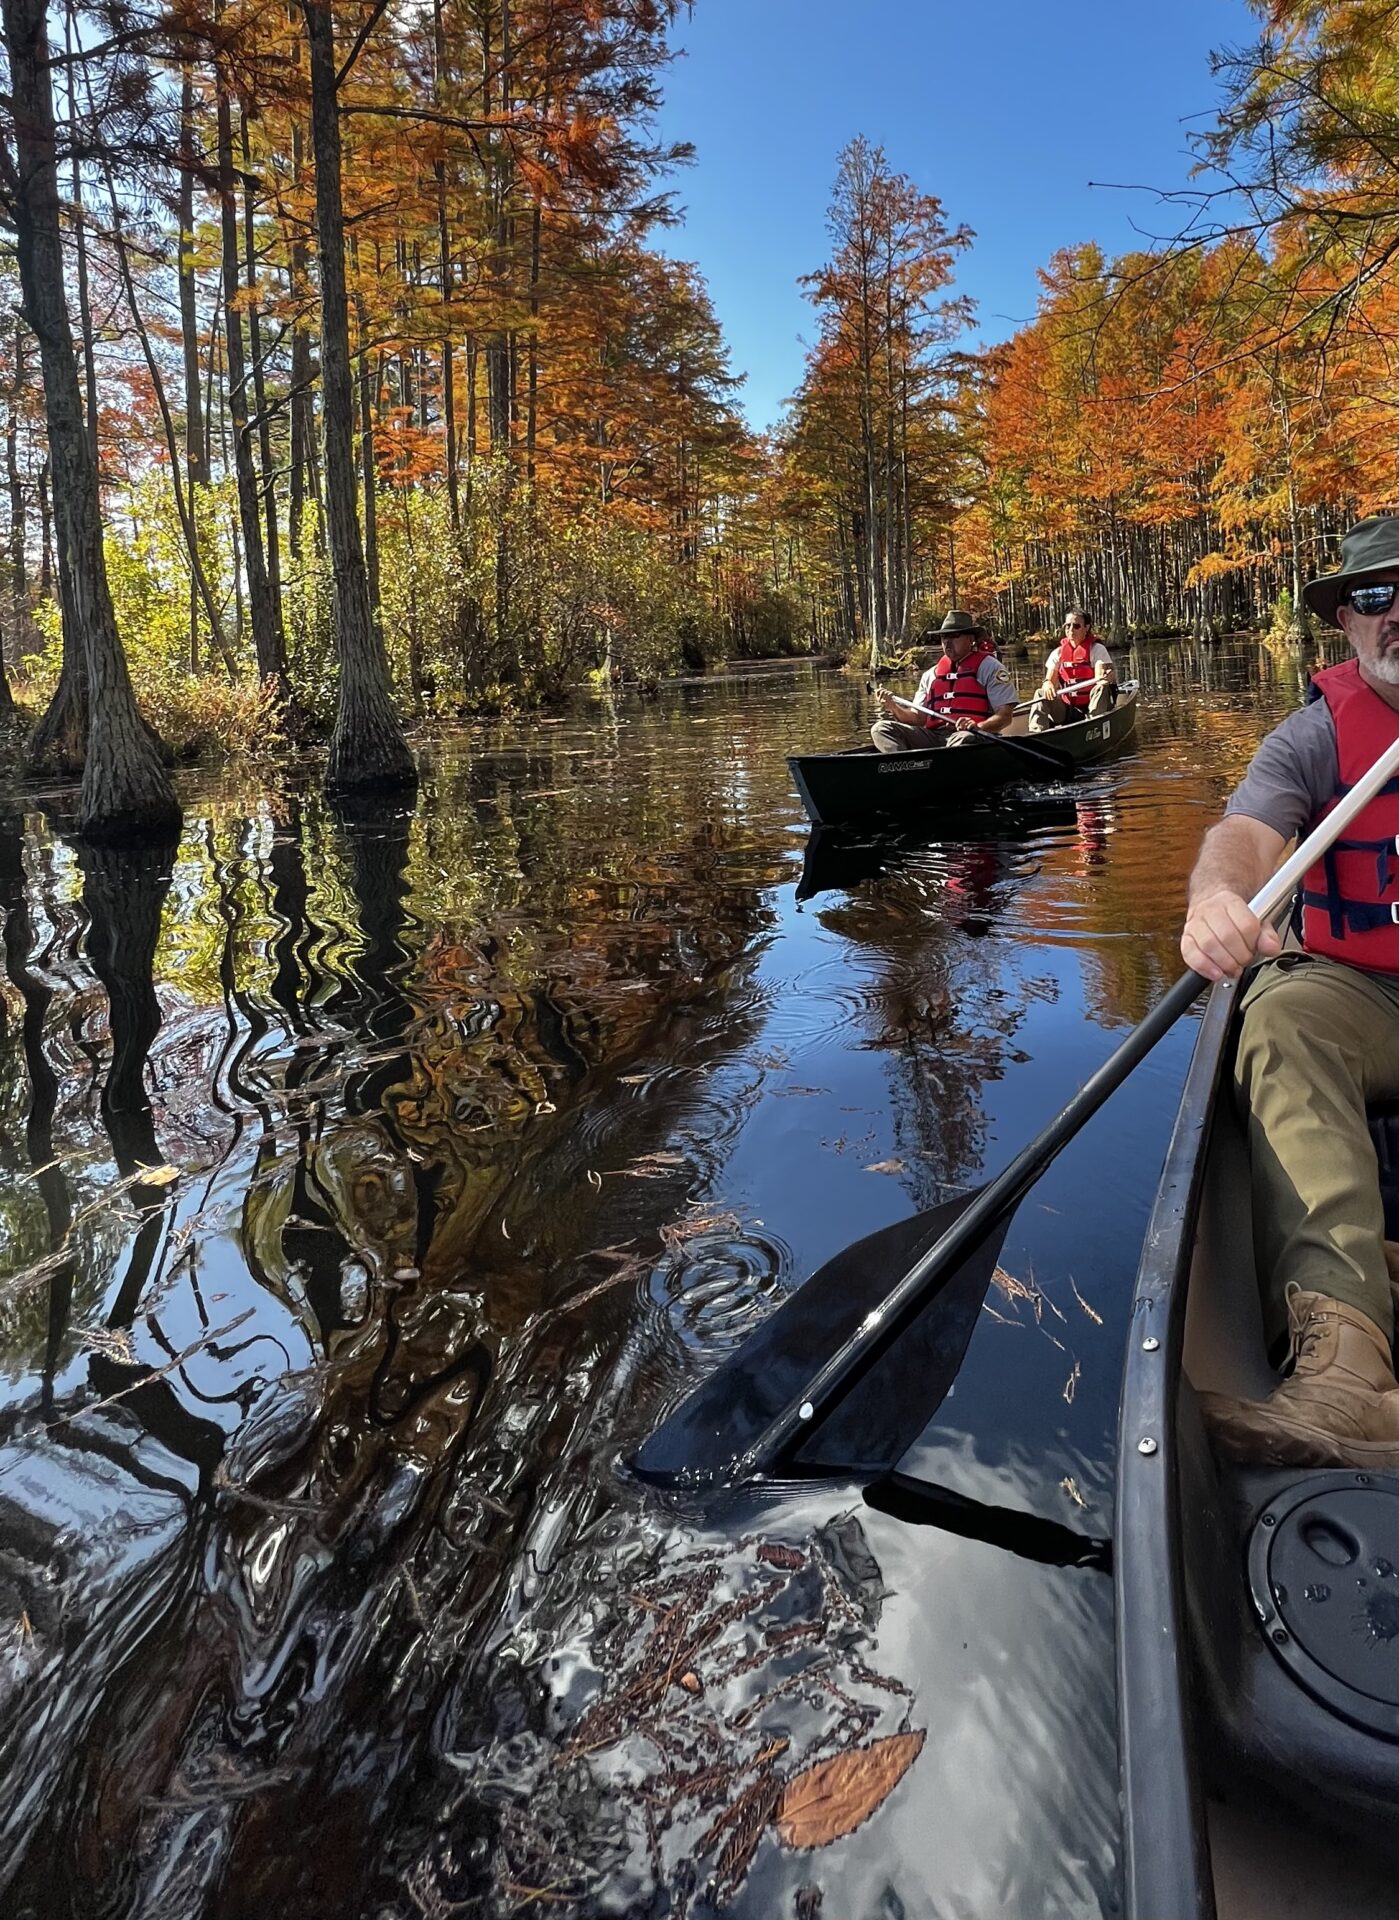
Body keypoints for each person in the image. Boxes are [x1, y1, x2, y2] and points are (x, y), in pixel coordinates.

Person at [1180, 514, 1399, 1468]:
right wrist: (1217, 897)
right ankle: (1351, 1376)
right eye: (1378, 598)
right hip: (1364, 996)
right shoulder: (1314, 733)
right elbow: (1242, 835)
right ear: (1347, 623)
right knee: (1278, 1017)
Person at [871, 610, 1018, 752]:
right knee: (881, 729)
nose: (947, 641)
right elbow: (918, 719)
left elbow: (1005, 716)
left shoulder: (990, 667)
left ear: (970, 639)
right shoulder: (930, 675)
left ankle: (935, 766)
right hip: (935, 738)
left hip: (974, 735)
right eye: (943, 637)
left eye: (954, 636)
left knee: (964, 739)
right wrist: (894, 707)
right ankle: (906, 766)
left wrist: (978, 726)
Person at [1028, 609, 1116, 732]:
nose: (1071, 629)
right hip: (1067, 709)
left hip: (1091, 706)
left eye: (1076, 626)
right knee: (1040, 693)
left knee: (1101, 687)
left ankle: (1092, 727)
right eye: (1067, 626)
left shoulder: (1097, 649)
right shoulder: (1057, 653)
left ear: (1086, 627)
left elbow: (1100, 675)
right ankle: (1037, 733)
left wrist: (1106, 677)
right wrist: (1047, 683)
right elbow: (1050, 680)